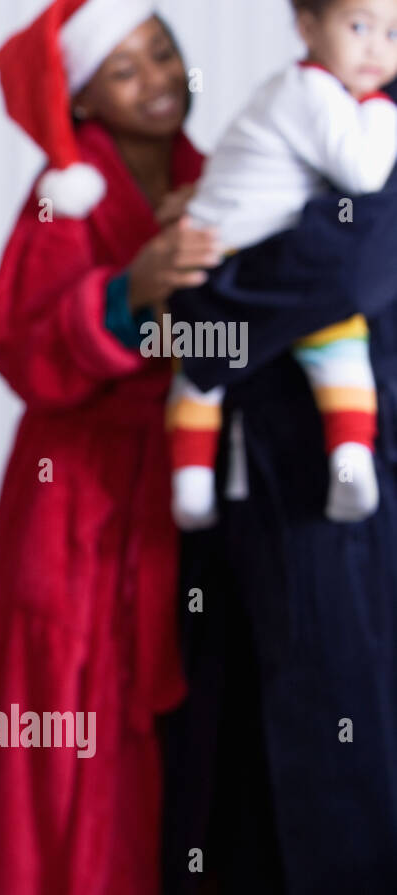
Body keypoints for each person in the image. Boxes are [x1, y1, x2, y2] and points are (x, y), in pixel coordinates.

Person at [0, 0, 223, 895]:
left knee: (163, 712)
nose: (160, 77)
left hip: (183, 485)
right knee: (66, 707)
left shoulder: (208, 177)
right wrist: (128, 290)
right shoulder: (68, 190)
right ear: (86, 96)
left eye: (164, 52)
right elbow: (17, 344)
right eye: (128, 68)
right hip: (76, 495)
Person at [164, 73, 397, 895]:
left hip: (332, 486)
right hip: (262, 473)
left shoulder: (378, 117)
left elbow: (344, 260)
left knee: (330, 734)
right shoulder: (325, 95)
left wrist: (199, 308)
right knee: (264, 732)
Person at [170, 0, 397, 529]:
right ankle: (347, 460)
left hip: (238, 256)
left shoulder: (313, 92)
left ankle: (194, 482)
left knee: (204, 375)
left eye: (392, 33)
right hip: (234, 255)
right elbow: (363, 174)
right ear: (307, 27)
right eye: (360, 26)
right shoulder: (312, 90)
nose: (376, 47)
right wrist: (382, 107)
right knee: (335, 351)